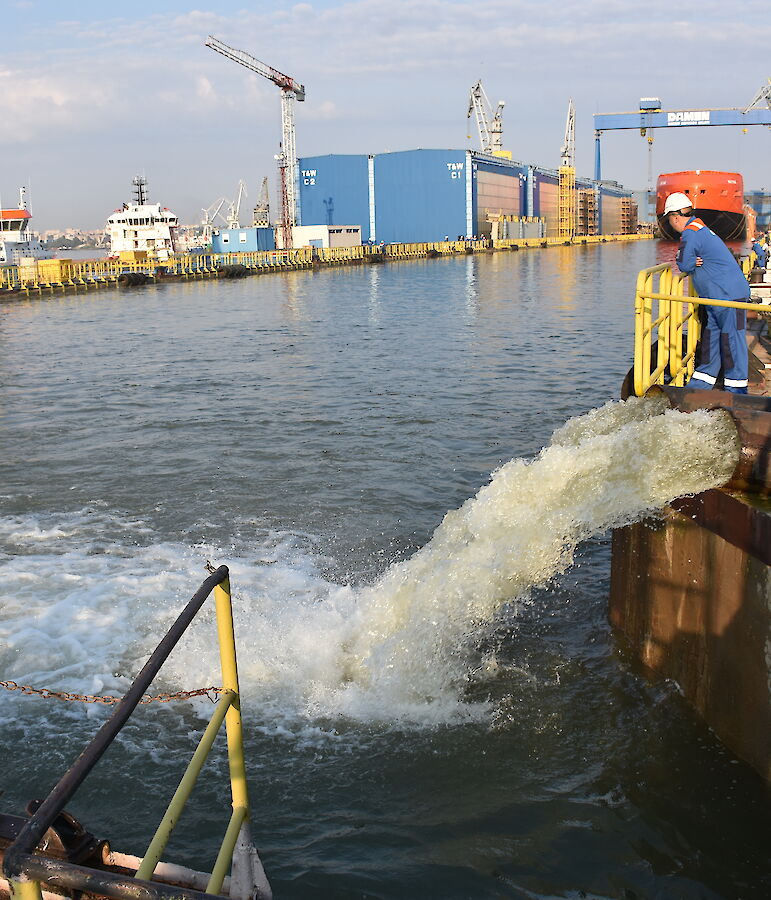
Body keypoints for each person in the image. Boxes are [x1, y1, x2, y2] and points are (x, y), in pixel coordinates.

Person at [663, 191, 750, 394]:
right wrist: (691, 260)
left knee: (731, 341)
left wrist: (688, 261)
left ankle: (736, 391)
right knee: (712, 339)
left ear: (675, 217)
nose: (671, 225)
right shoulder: (700, 228)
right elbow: (689, 260)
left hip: (728, 297)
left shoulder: (691, 232)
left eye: (670, 220)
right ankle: (701, 384)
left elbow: (684, 263)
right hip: (716, 298)